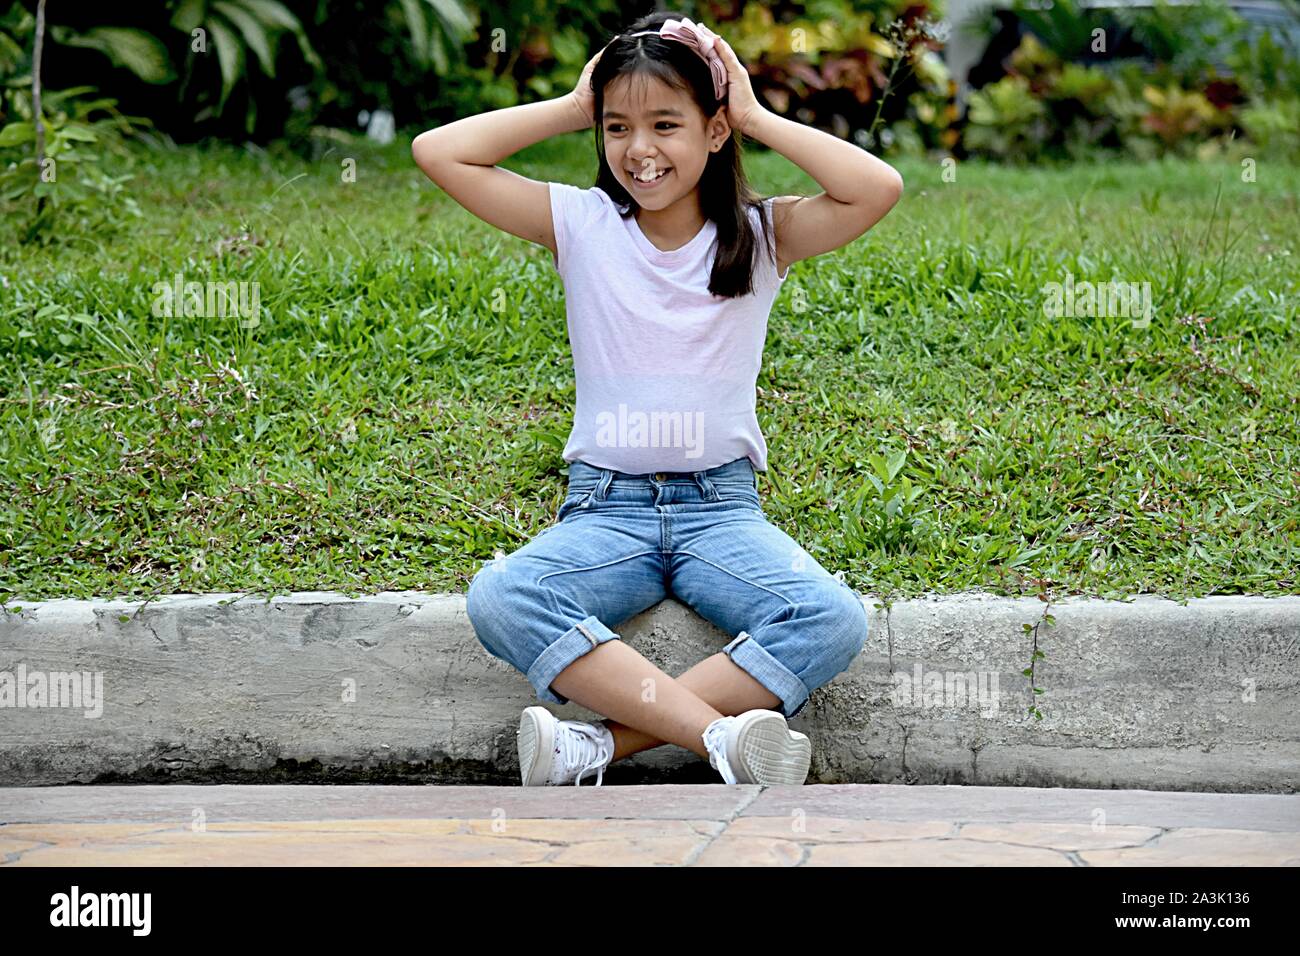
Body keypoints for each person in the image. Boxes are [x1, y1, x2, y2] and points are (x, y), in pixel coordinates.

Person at [412, 12, 903, 787]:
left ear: (713, 132)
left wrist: (754, 113)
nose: (639, 150)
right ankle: (720, 738)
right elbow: (438, 151)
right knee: (503, 596)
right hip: (607, 512)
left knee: (830, 617)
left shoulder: (761, 234)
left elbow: (877, 187)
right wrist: (575, 104)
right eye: (616, 127)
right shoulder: (582, 224)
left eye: (666, 124)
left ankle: (599, 747)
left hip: (721, 513)